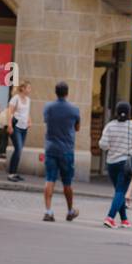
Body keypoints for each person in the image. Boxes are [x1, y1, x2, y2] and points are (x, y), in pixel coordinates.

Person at [98, 99, 132, 228]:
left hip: (111, 163)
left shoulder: (110, 125)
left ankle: (124, 219)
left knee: (119, 191)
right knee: (120, 191)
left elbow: (103, 145)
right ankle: (110, 217)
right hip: (126, 164)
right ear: (129, 112)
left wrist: (113, 145)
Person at [42, 81, 82, 222]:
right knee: (67, 182)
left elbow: (46, 122)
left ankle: (48, 211)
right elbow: (77, 128)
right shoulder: (74, 109)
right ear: (67, 92)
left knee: (50, 179)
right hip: (66, 149)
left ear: (55, 92)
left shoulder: (48, 107)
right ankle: (70, 210)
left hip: (51, 147)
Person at [5, 80, 31, 181]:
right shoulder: (15, 98)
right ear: (23, 88)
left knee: (18, 150)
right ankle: (11, 174)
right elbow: (9, 112)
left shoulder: (28, 100)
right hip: (16, 127)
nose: (30, 90)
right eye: (28, 88)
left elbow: (27, 112)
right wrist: (10, 125)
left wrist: (29, 121)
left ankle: (14, 173)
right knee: (18, 149)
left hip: (24, 127)